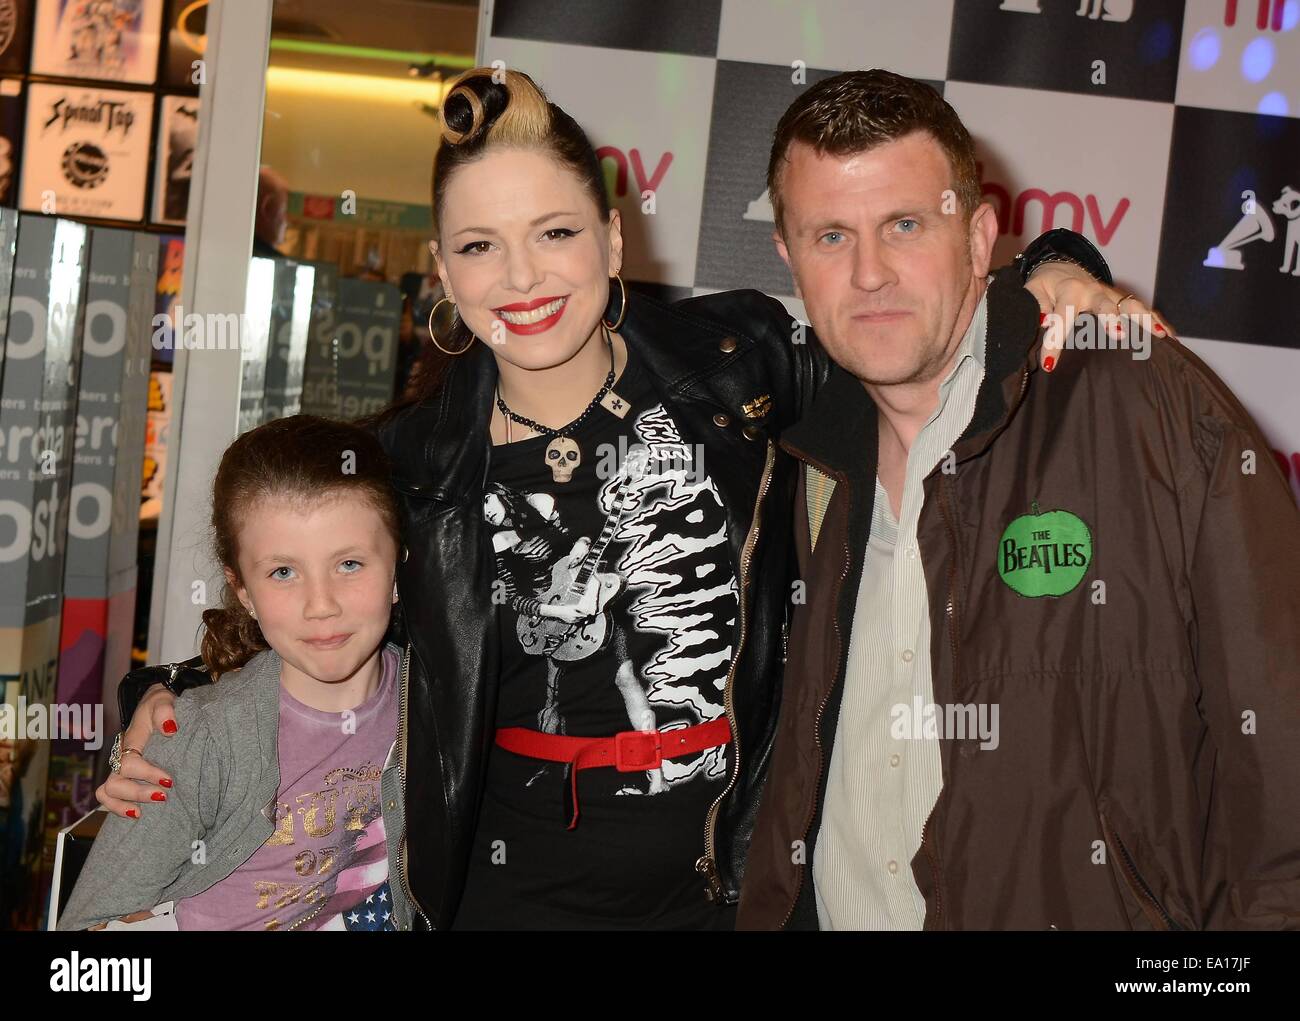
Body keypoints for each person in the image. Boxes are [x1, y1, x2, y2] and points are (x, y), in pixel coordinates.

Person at [98, 68, 1145, 930]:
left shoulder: (737, 368)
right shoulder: (411, 464)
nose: (520, 276)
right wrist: (169, 704)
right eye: (478, 246)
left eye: (553, 233)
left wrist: (1051, 266)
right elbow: (321, 609)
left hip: (735, 884)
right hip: (508, 895)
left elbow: (909, 330)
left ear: (609, 239)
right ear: (442, 274)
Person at [736, 70, 1300, 931]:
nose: (870, 273)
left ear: (979, 234)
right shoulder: (807, 455)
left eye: (905, 225)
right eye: (829, 236)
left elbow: (1282, 760)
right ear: (787, 254)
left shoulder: (1144, 402)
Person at [60, 416, 414, 931]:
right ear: (243, 591)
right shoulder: (202, 739)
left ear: (399, 568)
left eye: (350, 564)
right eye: (283, 572)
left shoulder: (435, 700)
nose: (321, 605)